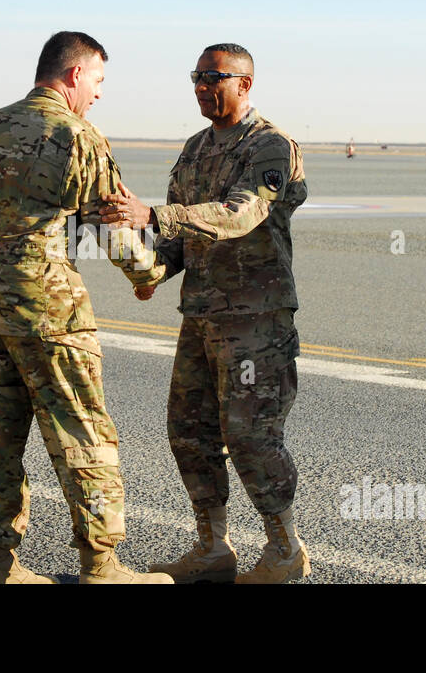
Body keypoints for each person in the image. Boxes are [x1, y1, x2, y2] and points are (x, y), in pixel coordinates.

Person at [0, 31, 172, 584]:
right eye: (98, 80)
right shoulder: (77, 135)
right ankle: (102, 565)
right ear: (73, 75)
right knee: (82, 434)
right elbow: (113, 222)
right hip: (49, 316)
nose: (99, 93)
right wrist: (148, 273)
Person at [100, 43, 310, 583]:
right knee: (188, 430)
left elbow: (239, 215)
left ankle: (284, 549)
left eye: (213, 76)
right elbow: (176, 243)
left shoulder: (270, 147)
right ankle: (214, 546)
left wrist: (155, 213)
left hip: (255, 318)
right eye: (195, 76)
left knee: (250, 434)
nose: (200, 85)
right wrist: (144, 262)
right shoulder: (194, 151)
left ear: (245, 83)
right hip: (201, 315)